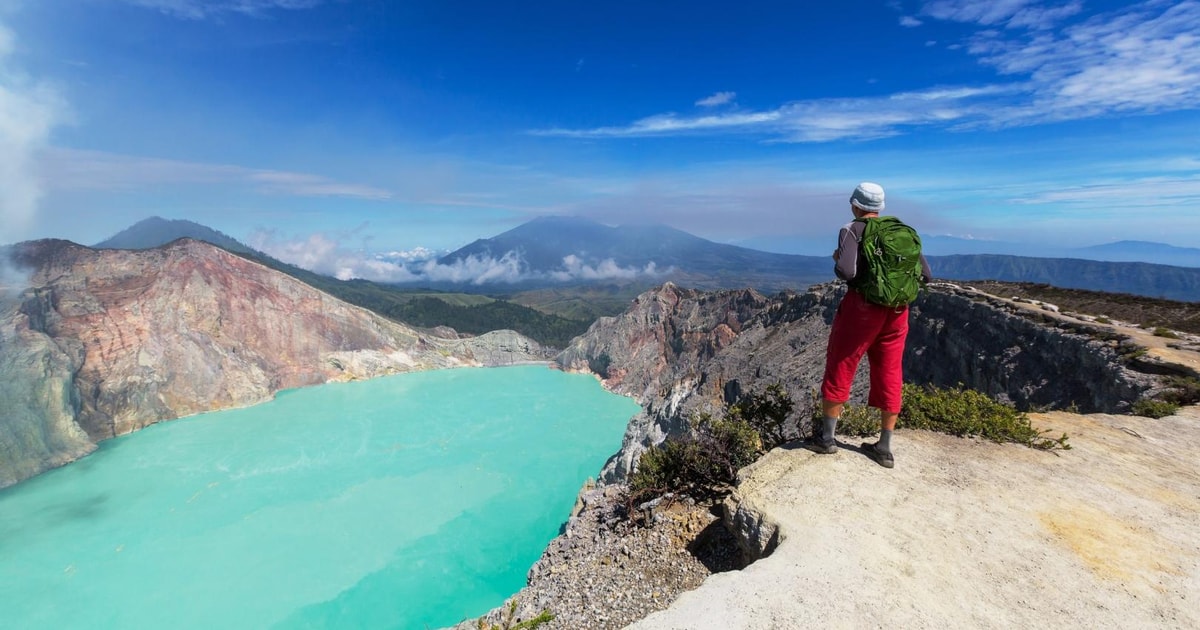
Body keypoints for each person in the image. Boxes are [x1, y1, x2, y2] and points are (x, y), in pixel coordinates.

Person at [811, 182, 931, 468]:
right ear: (880, 207)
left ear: (855, 205)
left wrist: (838, 257)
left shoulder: (852, 228)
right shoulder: (903, 231)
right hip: (898, 312)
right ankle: (885, 447)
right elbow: (926, 275)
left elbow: (846, 271)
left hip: (862, 310)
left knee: (842, 362)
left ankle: (827, 439)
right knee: (890, 371)